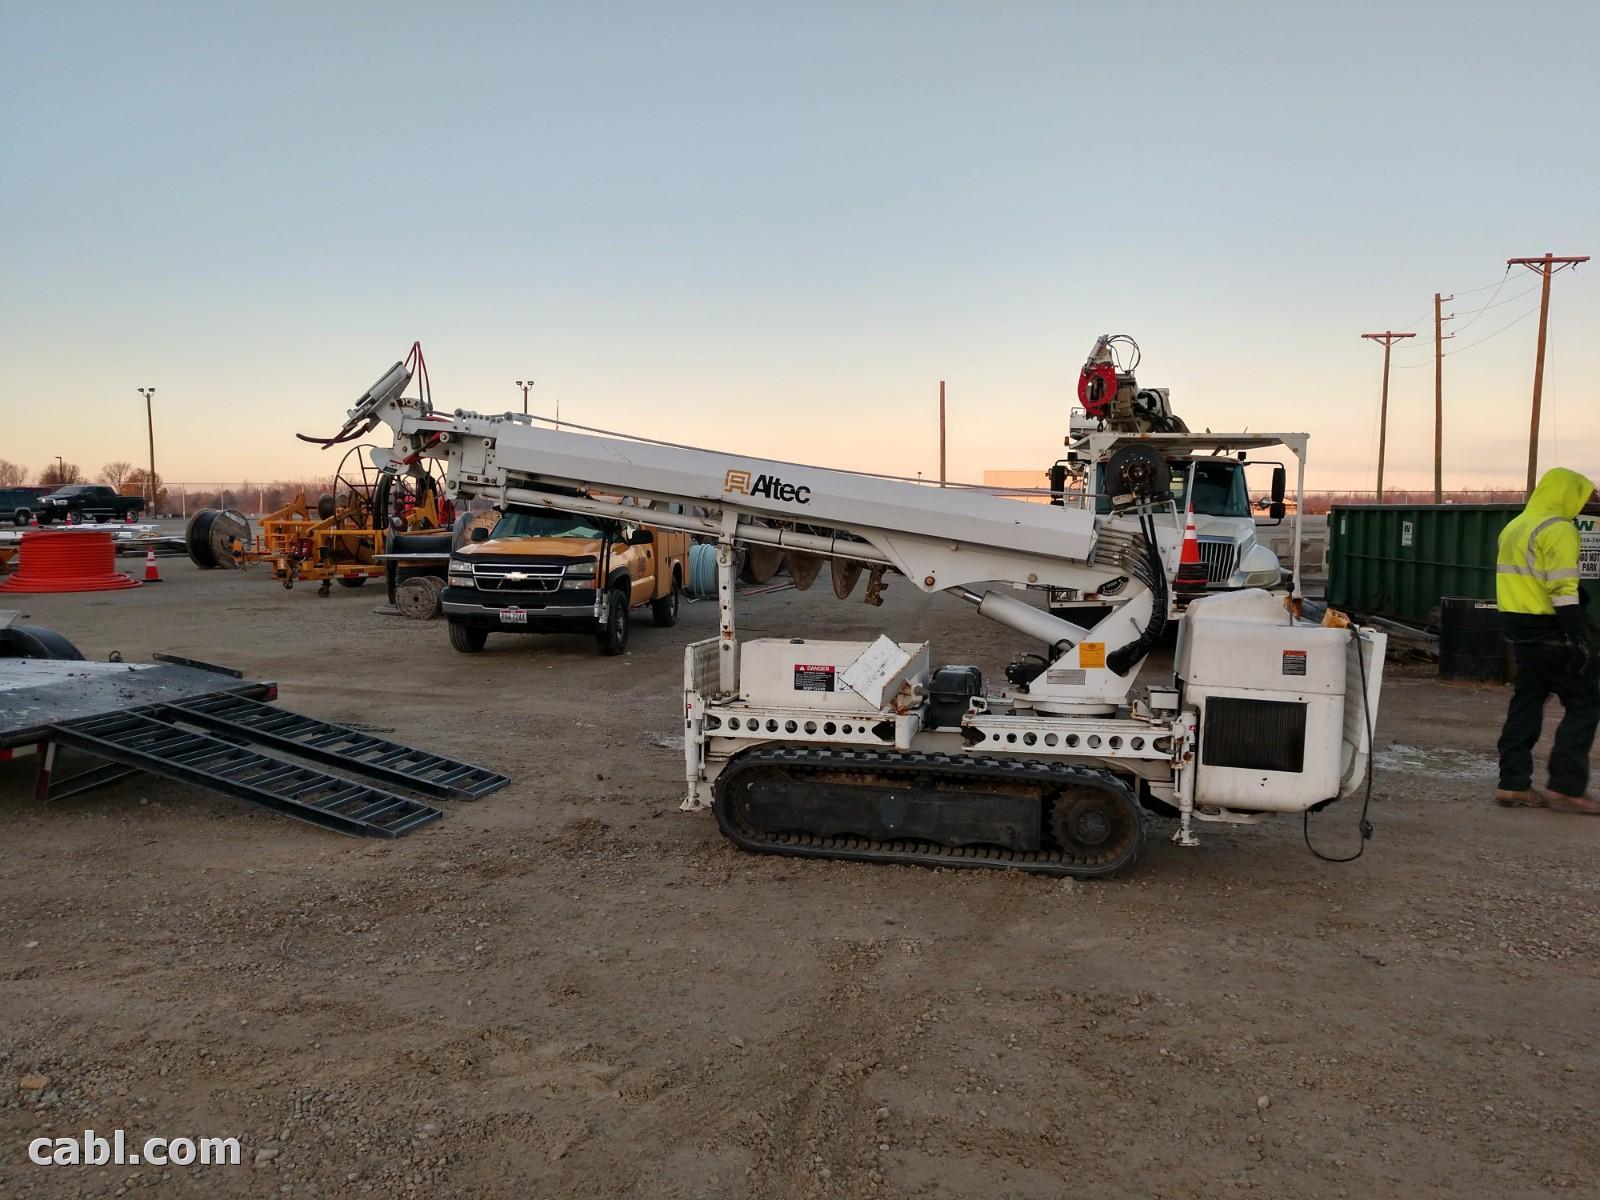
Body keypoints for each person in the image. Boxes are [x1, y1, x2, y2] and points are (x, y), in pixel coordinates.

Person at [1494, 467, 1599, 813]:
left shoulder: (1515, 526)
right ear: (1568, 494)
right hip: (1551, 628)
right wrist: (1579, 638)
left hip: (1519, 629)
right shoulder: (1559, 529)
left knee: (1526, 702)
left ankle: (1513, 783)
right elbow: (1563, 590)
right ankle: (1566, 788)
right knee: (1585, 702)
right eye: (1583, 495)